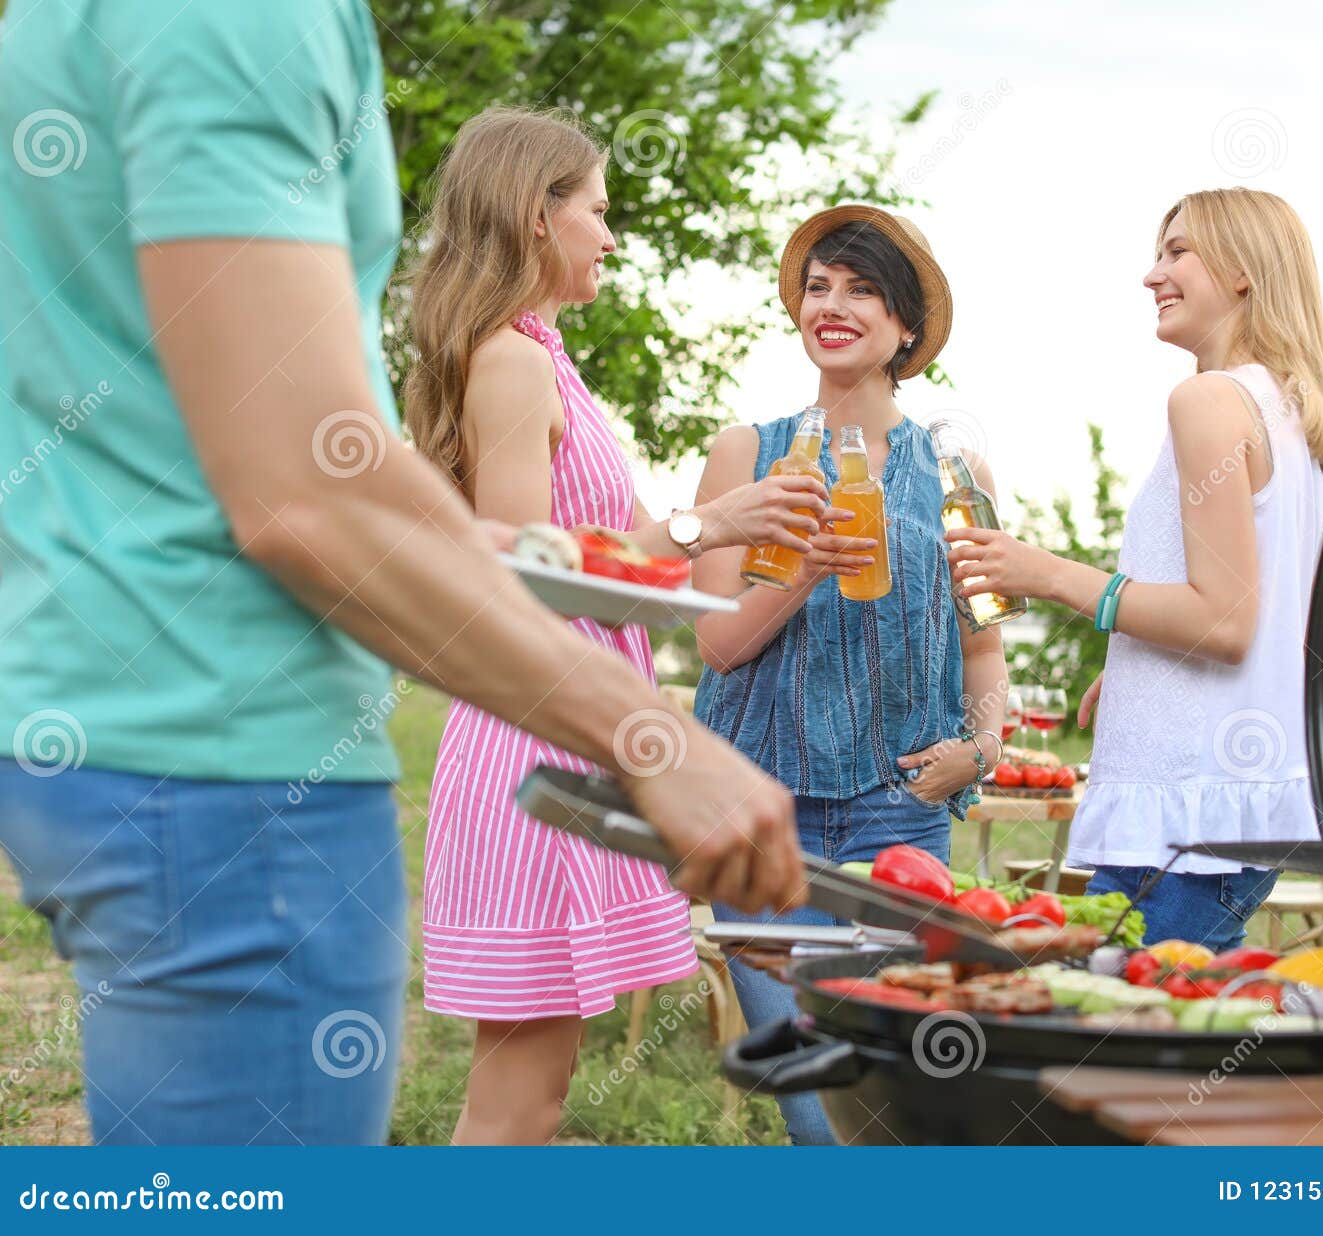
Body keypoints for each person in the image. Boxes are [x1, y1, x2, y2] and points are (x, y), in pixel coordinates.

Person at [0, 1, 802, 1147]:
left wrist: (705, 537)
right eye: (598, 212)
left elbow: (353, 485)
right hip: (225, 748)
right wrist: (647, 734)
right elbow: (305, 494)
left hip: (110, 715)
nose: (612, 237)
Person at [405, 107, 830, 1146]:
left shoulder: (540, 357)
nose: (610, 234)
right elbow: (519, 568)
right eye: (596, 210)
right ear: (534, 217)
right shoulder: (512, 360)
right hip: (534, 740)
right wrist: (708, 524)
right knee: (516, 1101)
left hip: (565, 730)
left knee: (531, 1094)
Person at [946, 188, 1323, 951]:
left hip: (1184, 816)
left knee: (1120, 1044)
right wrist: (1135, 662)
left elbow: (1223, 623)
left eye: (1178, 252)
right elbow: (1261, 608)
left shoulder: (1207, 402)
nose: (1152, 274)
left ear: (1243, 273)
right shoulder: (1288, 410)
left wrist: (1046, 573)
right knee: (1164, 1029)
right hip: (1235, 800)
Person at [692, 207, 1011, 1144]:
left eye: (862, 289)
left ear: (907, 327)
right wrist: (806, 571)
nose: (832, 306)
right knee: (815, 1104)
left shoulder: (958, 469)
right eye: (818, 287)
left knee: (898, 1098)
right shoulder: (743, 453)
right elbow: (717, 646)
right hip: (761, 807)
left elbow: (984, 642)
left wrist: (981, 748)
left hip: (899, 812)